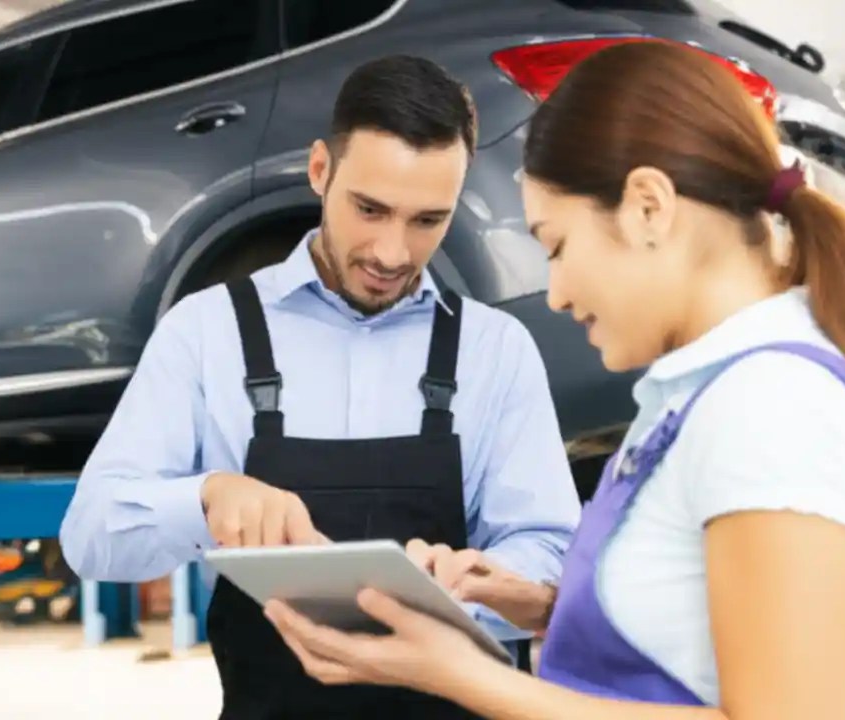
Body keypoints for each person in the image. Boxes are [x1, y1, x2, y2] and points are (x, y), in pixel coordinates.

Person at [263, 40, 845, 719]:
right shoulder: (707, 399)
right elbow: (692, 637)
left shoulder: (772, 409)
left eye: (556, 245)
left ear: (648, 207)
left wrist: (464, 675)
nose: (554, 292)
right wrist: (547, 608)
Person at [58, 55, 580, 718]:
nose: (392, 253)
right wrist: (207, 499)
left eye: (427, 221)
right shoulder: (207, 333)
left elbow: (550, 551)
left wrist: (481, 582)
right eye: (370, 209)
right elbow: (90, 535)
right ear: (318, 171)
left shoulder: (494, 350)